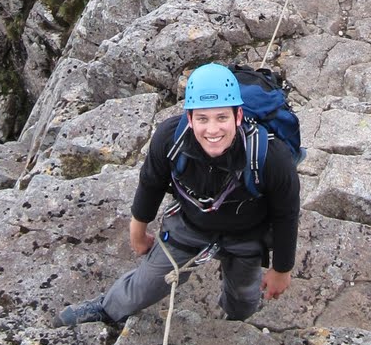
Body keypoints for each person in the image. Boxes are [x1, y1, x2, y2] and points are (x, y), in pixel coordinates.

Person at [57, 63, 301, 329]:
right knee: (146, 283)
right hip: (189, 226)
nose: (213, 130)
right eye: (203, 119)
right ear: (190, 117)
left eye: (222, 118)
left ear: (238, 116)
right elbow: (151, 183)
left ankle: (233, 326)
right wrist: (137, 232)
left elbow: (286, 213)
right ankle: (107, 309)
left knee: (243, 298)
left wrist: (281, 269)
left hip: (247, 236)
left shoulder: (271, 157)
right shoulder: (170, 140)